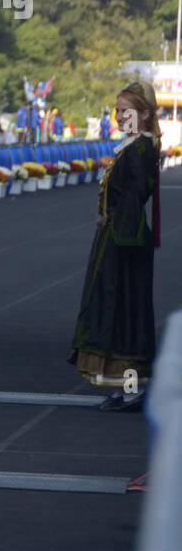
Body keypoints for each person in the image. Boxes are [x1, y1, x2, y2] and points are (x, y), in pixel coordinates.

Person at [70, 82, 162, 412]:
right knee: (117, 310)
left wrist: (118, 230)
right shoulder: (133, 146)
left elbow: (136, 198)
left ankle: (133, 389)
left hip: (126, 238)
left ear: (146, 114)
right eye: (118, 109)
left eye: (127, 110)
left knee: (126, 312)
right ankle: (125, 387)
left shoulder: (140, 150)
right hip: (117, 235)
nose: (120, 115)